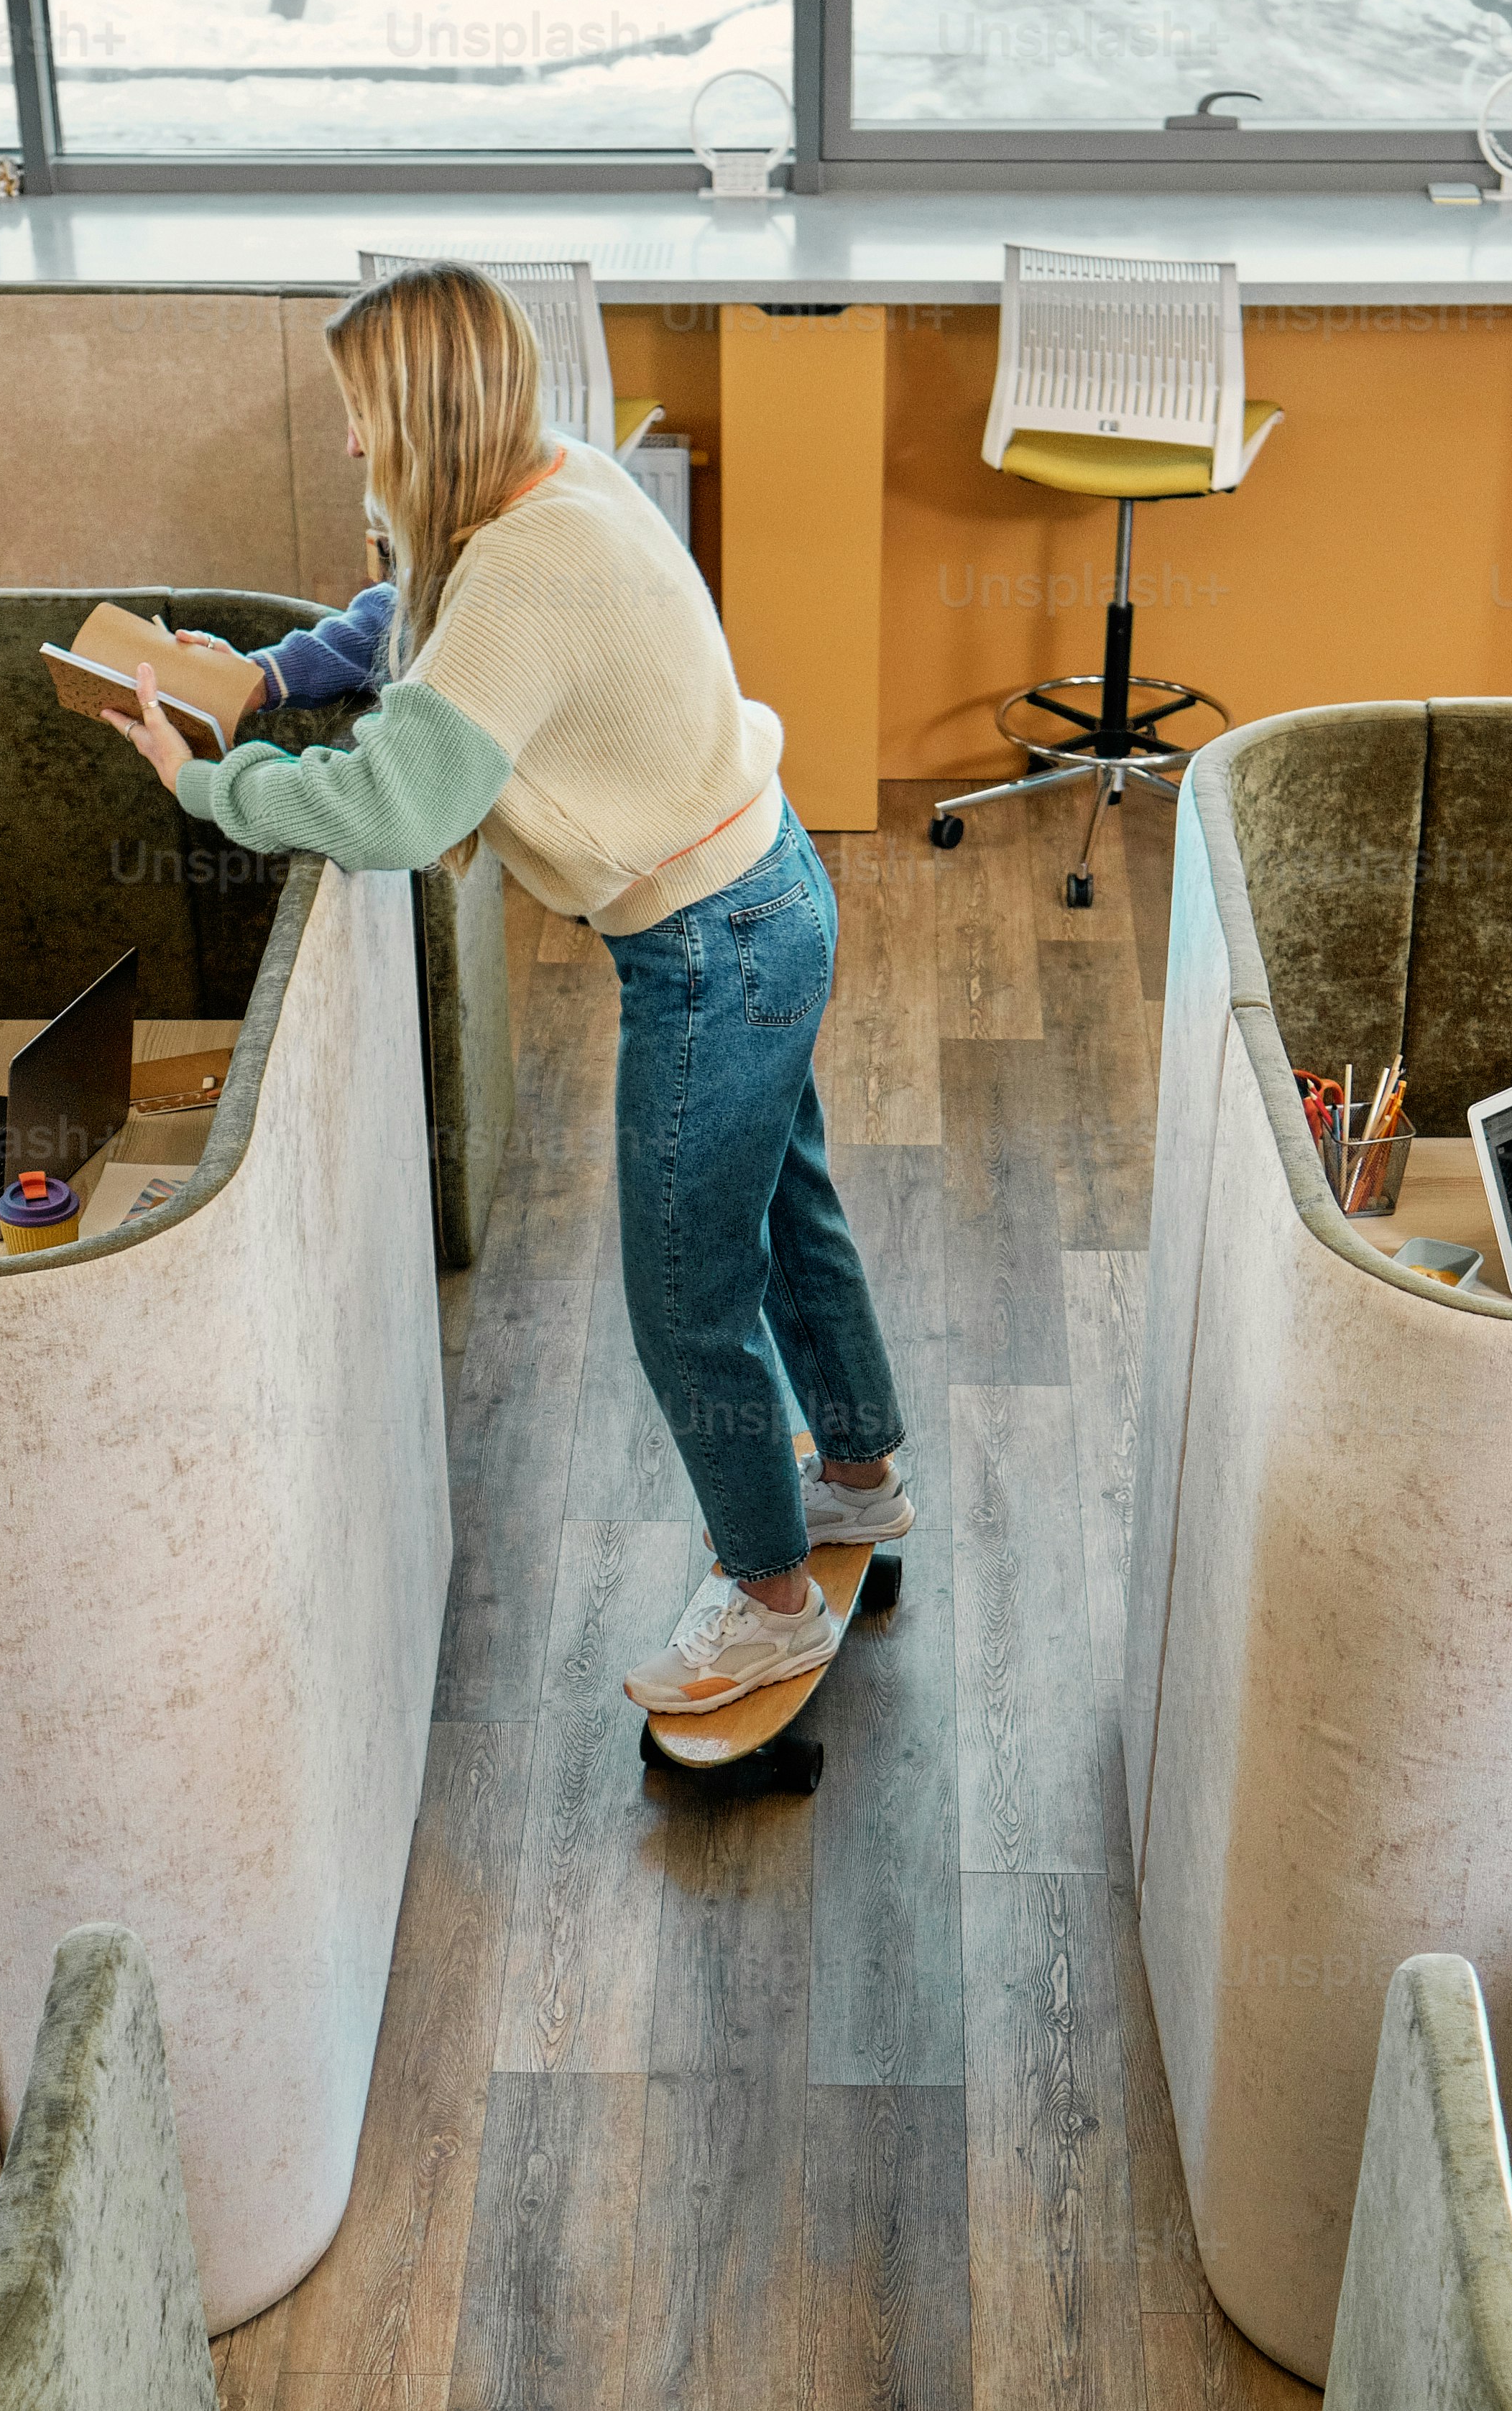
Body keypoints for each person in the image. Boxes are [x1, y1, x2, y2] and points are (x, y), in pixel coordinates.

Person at [88, 262, 909, 1720]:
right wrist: (266, 676)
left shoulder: (525, 572)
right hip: (765, 892)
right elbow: (404, 618)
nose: (350, 440)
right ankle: (856, 1476)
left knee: (682, 1297)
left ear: (423, 410)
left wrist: (210, 782)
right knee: (785, 1211)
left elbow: (394, 807)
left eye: (361, 411)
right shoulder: (558, 482)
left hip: (709, 951)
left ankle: (771, 1604)